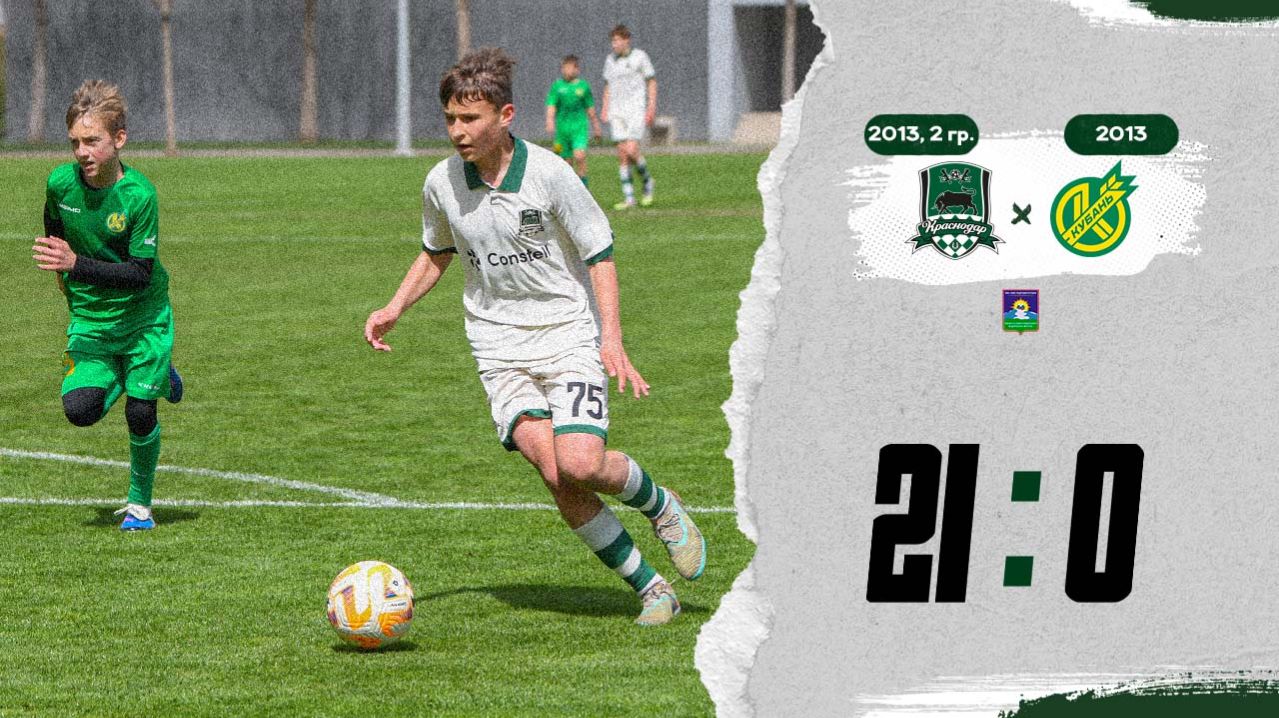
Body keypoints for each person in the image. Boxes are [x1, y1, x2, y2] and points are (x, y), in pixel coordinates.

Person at [364, 48, 705, 626]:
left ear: (505, 116)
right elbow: (437, 250)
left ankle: (659, 503)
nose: (457, 131)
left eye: (469, 119)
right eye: (450, 119)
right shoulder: (441, 183)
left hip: (566, 335)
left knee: (581, 464)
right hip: (498, 348)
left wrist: (612, 339)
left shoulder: (550, 174)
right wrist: (395, 306)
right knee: (554, 474)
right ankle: (651, 589)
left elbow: (599, 254)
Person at [33, 80, 184, 531]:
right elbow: (54, 221)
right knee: (80, 411)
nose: (82, 152)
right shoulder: (60, 183)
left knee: (140, 411)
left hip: (143, 317)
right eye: (75, 142)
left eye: (92, 141)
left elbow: (139, 274)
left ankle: (140, 507)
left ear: (119, 139)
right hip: (91, 320)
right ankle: (152, 375)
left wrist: (75, 264)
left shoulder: (139, 196)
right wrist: (61, 267)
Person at [600, 24, 657, 210]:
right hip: (617, 111)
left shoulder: (640, 57)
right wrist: (605, 107)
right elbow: (608, 85)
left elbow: (651, 82)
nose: (614, 44)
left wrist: (651, 106)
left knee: (632, 150)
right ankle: (629, 198)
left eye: (617, 40)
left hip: (635, 110)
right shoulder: (610, 60)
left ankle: (647, 181)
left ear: (626, 40)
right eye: (612, 41)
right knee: (622, 153)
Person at [545, 55, 602, 186]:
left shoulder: (583, 87)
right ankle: (569, 190)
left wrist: (596, 127)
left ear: (577, 69)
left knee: (579, 156)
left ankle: (584, 188)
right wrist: (549, 121)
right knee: (566, 163)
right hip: (562, 130)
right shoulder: (557, 86)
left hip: (579, 128)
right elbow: (551, 105)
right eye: (564, 68)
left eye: (569, 68)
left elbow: (590, 108)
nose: (566, 71)